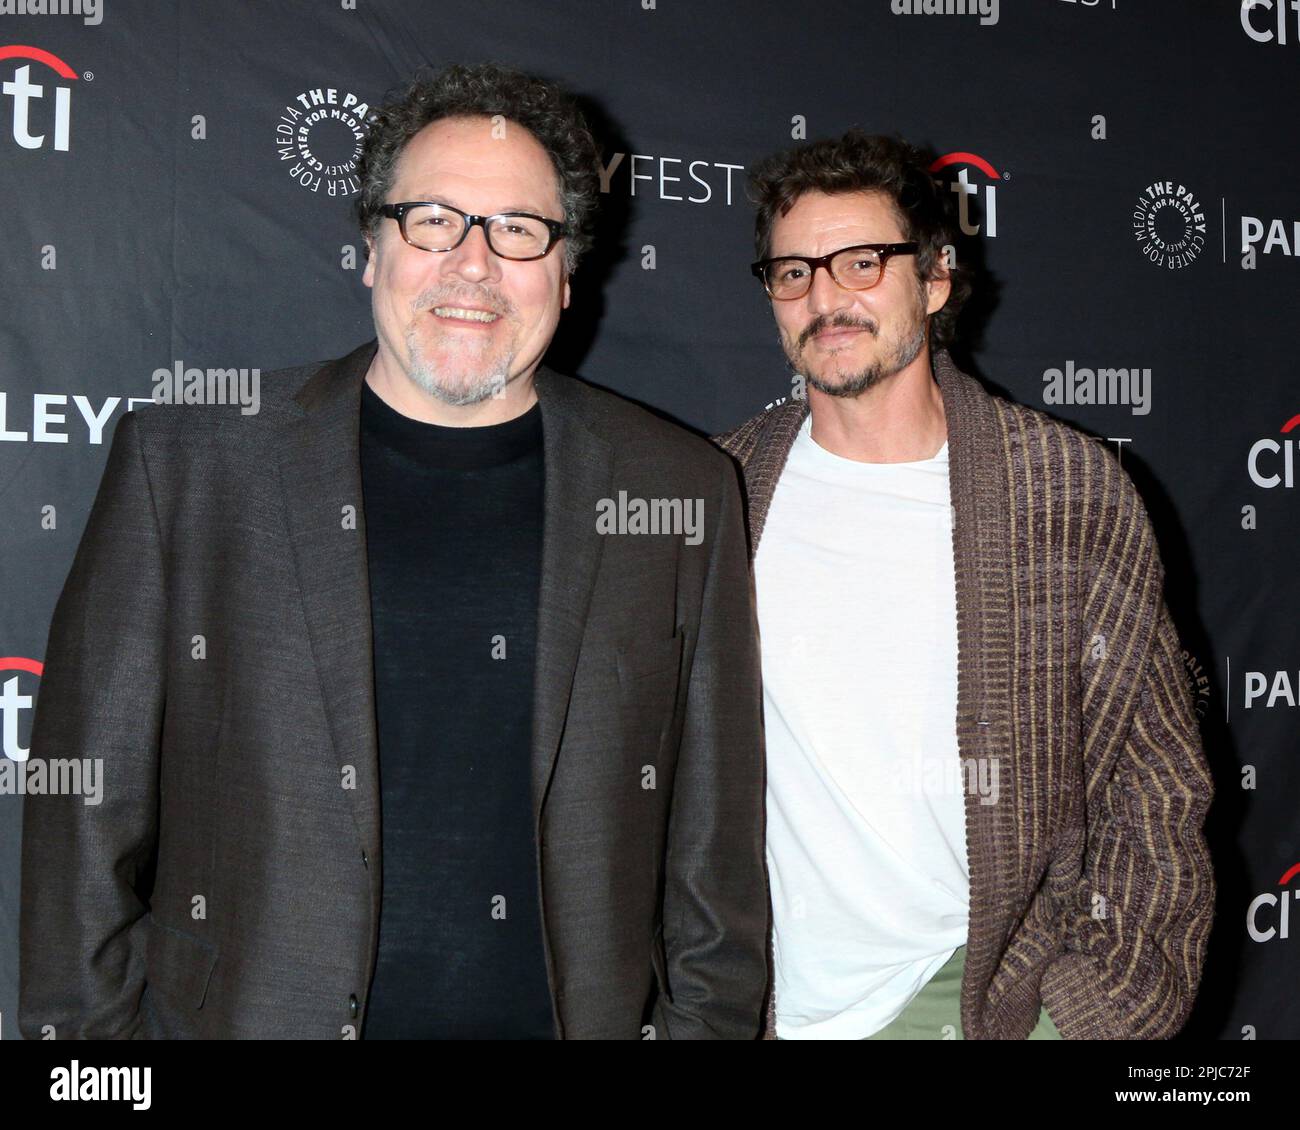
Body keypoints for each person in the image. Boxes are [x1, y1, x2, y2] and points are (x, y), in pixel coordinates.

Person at [19, 62, 767, 1040]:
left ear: (568, 269)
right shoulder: (192, 462)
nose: (472, 264)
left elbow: (713, 860)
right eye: (432, 221)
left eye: (518, 230)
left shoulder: (678, 487)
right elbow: (84, 827)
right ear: (371, 247)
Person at [713, 129, 1215, 1040]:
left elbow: (1159, 788)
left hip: (972, 997)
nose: (825, 296)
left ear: (935, 280)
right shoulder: (720, 489)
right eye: (793, 272)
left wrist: (1096, 1017)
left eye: (862, 262)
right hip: (758, 1007)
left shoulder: (1064, 489)